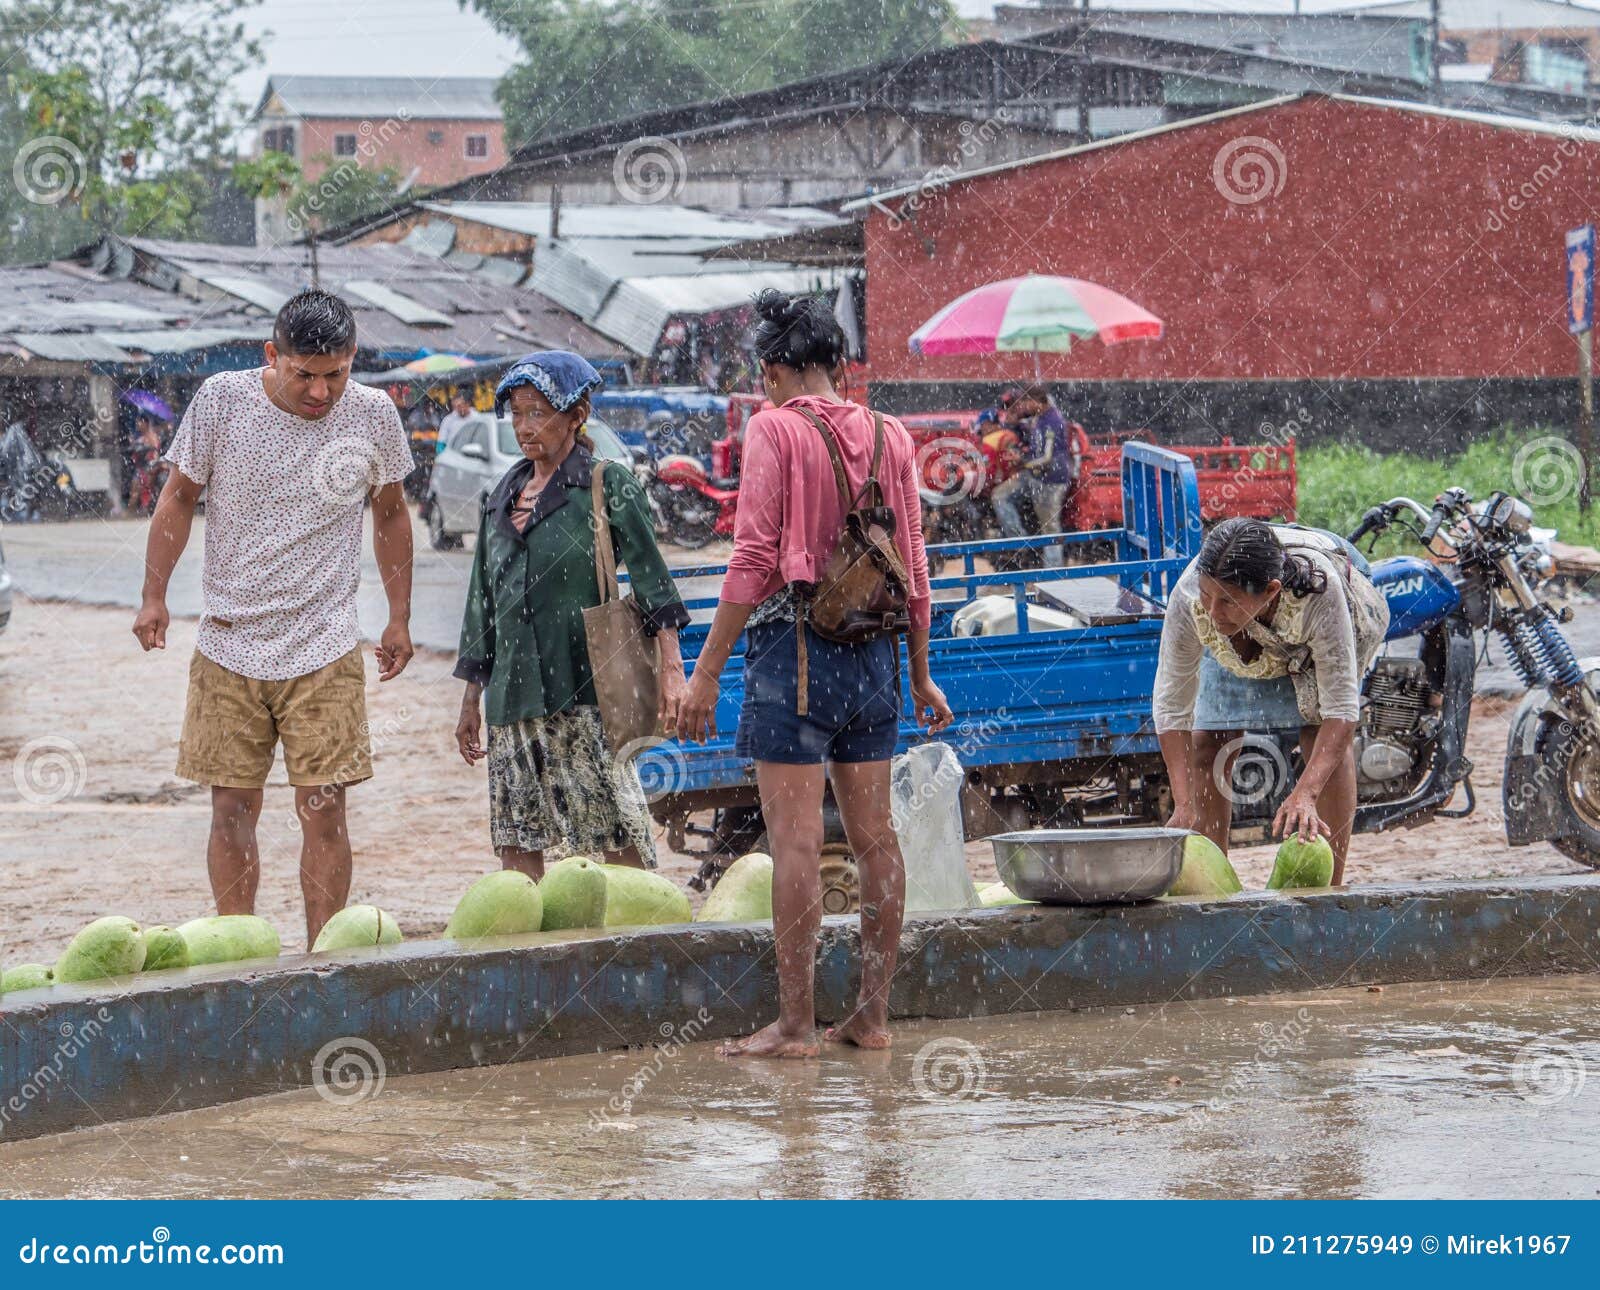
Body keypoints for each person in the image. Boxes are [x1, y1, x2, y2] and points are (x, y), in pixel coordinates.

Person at [676, 290, 952, 1059]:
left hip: (793, 658)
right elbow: (915, 567)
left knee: (796, 846)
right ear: (836, 365)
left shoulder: (773, 428)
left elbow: (755, 556)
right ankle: (872, 1016)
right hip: (876, 658)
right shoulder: (893, 434)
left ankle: (795, 1026)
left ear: (771, 372)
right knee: (875, 842)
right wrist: (923, 675)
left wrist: (705, 673)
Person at [132, 289, 416, 947]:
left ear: (352, 362)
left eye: (335, 375)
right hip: (229, 644)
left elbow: (392, 513)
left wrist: (399, 617)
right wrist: (154, 595)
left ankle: (324, 957)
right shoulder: (222, 400)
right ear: (272, 356)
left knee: (326, 812)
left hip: (325, 645)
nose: (320, 392)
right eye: (305, 374)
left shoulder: (373, 414)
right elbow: (177, 497)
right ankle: (240, 949)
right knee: (230, 809)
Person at [453, 351, 690, 879]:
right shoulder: (500, 498)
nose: (524, 427)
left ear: (576, 414)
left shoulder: (607, 486)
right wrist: (472, 700)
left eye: (537, 412)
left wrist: (673, 671)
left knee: (613, 839)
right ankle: (541, 955)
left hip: (586, 694)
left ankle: (632, 945)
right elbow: (481, 604)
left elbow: (655, 587)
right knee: (518, 843)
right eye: (516, 414)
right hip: (512, 699)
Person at [1152, 518, 1391, 885]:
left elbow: (1341, 710)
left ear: (1270, 591)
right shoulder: (1194, 600)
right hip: (1236, 641)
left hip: (1308, 634)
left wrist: (1304, 794)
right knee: (1206, 745)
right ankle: (1212, 889)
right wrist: (1185, 805)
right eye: (1207, 595)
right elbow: (1171, 706)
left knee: (1318, 738)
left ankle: (1330, 890)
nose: (1213, 612)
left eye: (1228, 601)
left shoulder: (1319, 597)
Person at [991, 384, 1075, 568]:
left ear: (1038, 402)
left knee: (1050, 527)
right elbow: (1035, 446)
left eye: (1027, 402)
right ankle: (1020, 544)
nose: (1024, 407)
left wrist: (1022, 461)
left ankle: (1054, 573)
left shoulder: (1052, 421)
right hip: (1033, 475)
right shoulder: (1039, 418)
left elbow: (1047, 457)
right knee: (999, 496)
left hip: (1051, 481)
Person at [437, 389, 475, 455]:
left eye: (460, 405)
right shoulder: (448, 420)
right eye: (456, 406)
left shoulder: (477, 418)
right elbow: (441, 443)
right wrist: (442, 455)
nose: (459, 409)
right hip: (453, 457)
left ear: (468, 404)